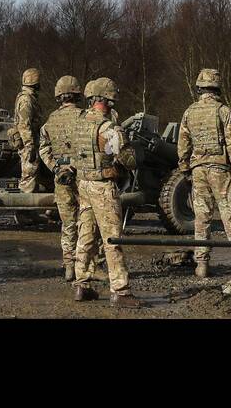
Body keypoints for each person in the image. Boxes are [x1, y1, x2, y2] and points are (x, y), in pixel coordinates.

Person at [71, 77, 140, 307]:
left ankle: (82, 284)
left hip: (83, 185)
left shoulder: (79, 123)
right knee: (112, 238)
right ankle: (120, 290)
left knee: (86, 235)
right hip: (102, 187)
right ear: (107, 99)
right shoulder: (108, 127)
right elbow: (128, 159)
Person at [178, 68, 231, 279]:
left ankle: (201, 264)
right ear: (217, 87)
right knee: (230, 215)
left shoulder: (189, 112)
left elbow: (183, 144)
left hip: (198, 169)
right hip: (219, 169)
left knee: (202, 217)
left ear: (199, 87)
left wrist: (184, 167)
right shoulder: (223, 111)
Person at [37, 75, 84, 282]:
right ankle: (87, 265)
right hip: (83, 177)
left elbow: (43, 149)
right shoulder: (85, 117)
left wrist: (56, 168)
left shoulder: (50, 120)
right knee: (87, 221)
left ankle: (68, 265)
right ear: (77, 94)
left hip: (61, 177)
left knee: (68, 223)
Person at [12, 68, 42, 193]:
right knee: (28, 178)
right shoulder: (27, 99)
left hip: (29, 142)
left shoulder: (28, 97)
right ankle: (26, 210)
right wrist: (30, 146)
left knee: (32, 177)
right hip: (28, 144)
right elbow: (24, 125)